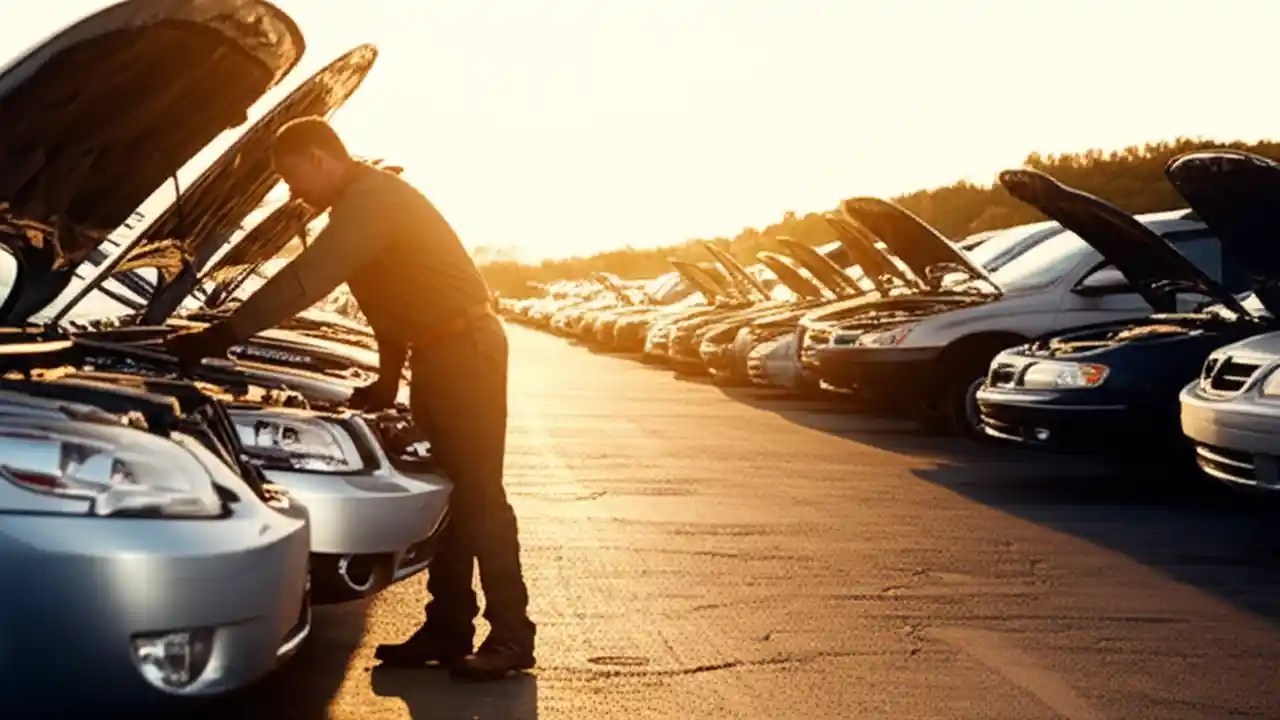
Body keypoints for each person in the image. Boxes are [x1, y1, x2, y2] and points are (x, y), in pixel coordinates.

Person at [166, 117, 536, 682]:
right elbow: (388, 306)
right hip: (438, 352)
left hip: (468, 348)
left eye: (294, 179)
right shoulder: (355, 207)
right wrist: (389, 380)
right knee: (454, 493)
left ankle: (513, 635)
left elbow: (307, 279)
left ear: (320, 158)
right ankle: (449, 626)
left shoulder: (374, 200)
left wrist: (221, 336)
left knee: (481, 493)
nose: (295, 195)